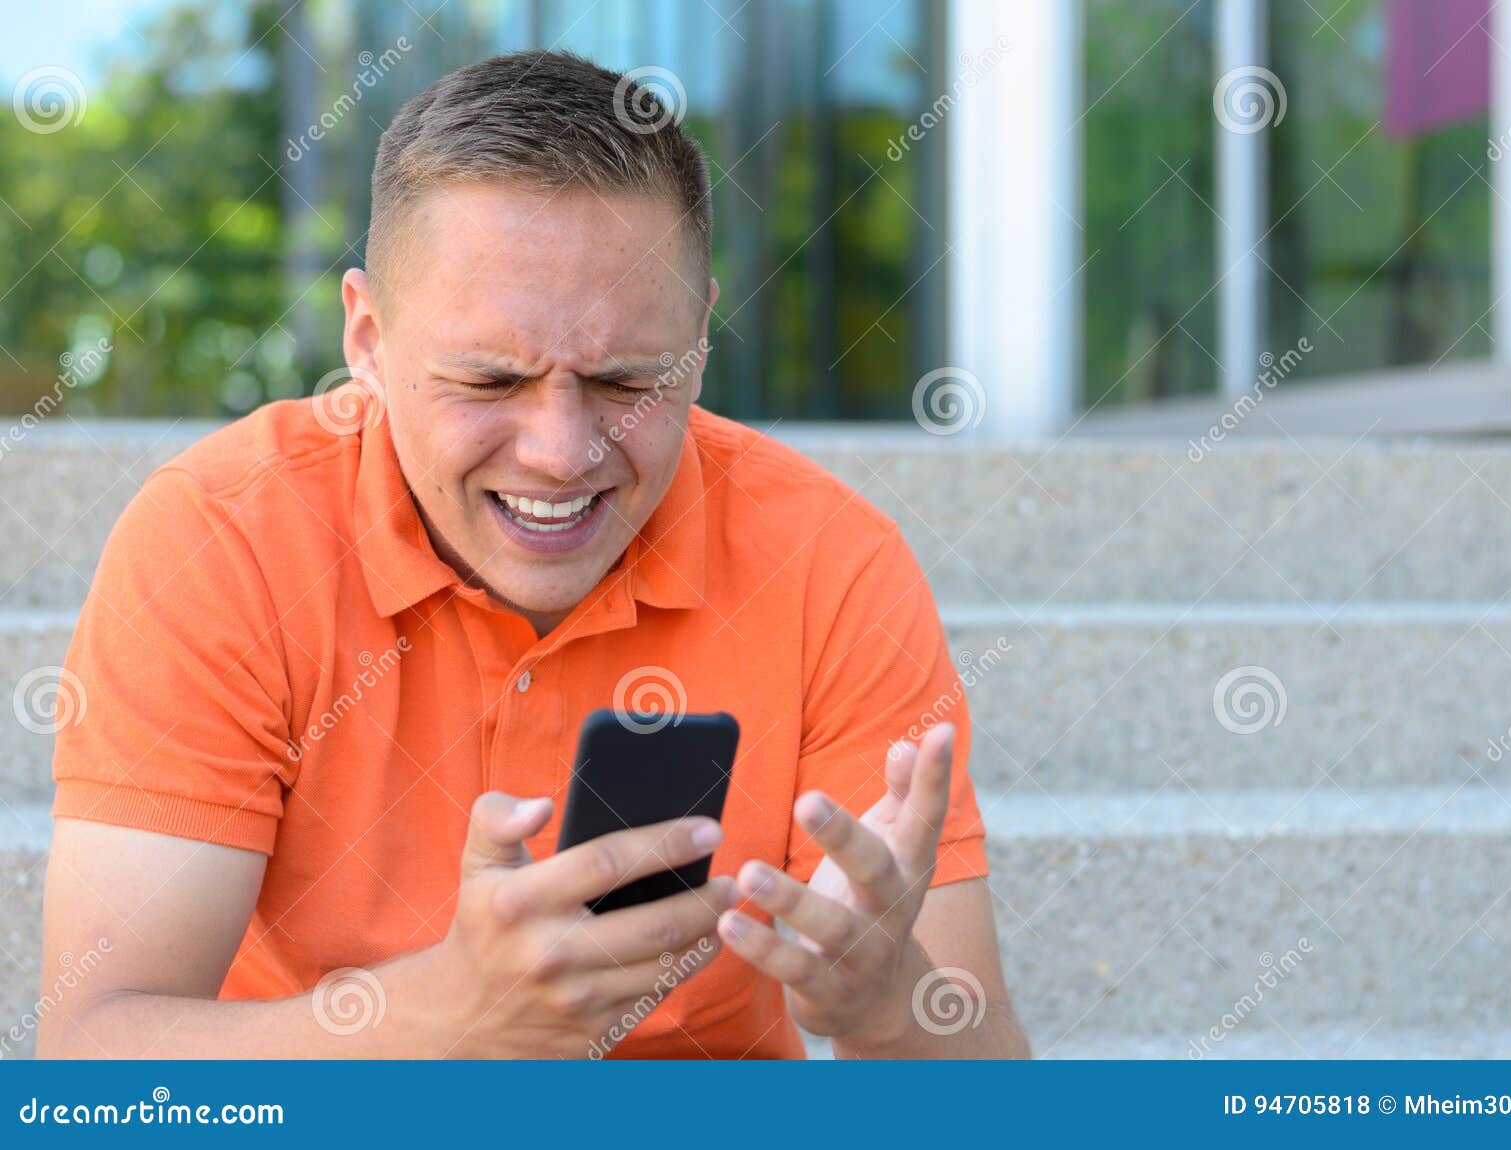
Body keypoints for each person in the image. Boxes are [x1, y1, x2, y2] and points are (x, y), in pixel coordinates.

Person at [37, 50, 1028, 1060]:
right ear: (367, 340)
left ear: (699, 340)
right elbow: (92, 1063)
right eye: (489, 381)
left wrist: (884, 1003)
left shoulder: (825, 560)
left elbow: (991, 1088)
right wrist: (446, 1014)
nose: (562, 452)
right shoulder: (225, 538)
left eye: (624, 381)